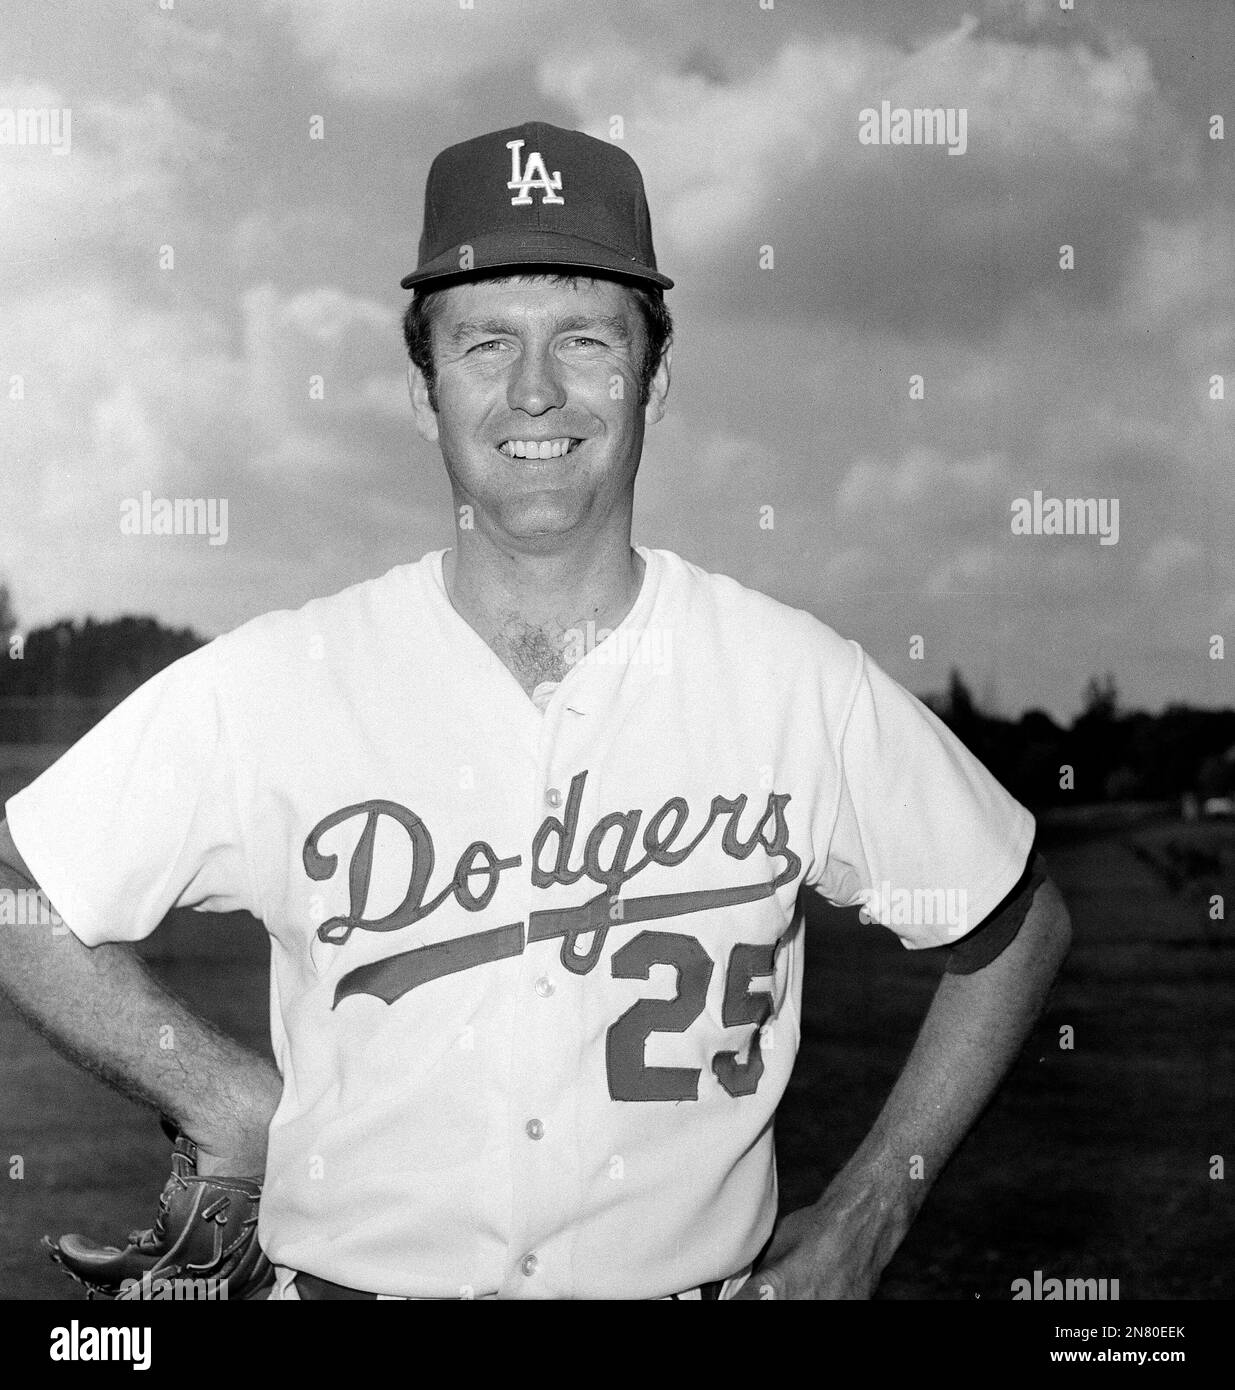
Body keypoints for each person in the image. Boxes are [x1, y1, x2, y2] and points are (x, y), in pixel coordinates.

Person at [0, 120, 1071, 1301]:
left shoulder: (792, 682)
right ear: (422, 391)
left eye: (583, 338)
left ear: (654, 379)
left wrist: (875, 1203)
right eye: (482, 342)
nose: (532, 389)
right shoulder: (283, 679)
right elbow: (21, 887)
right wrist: (222, 1094)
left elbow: (1013, 922)